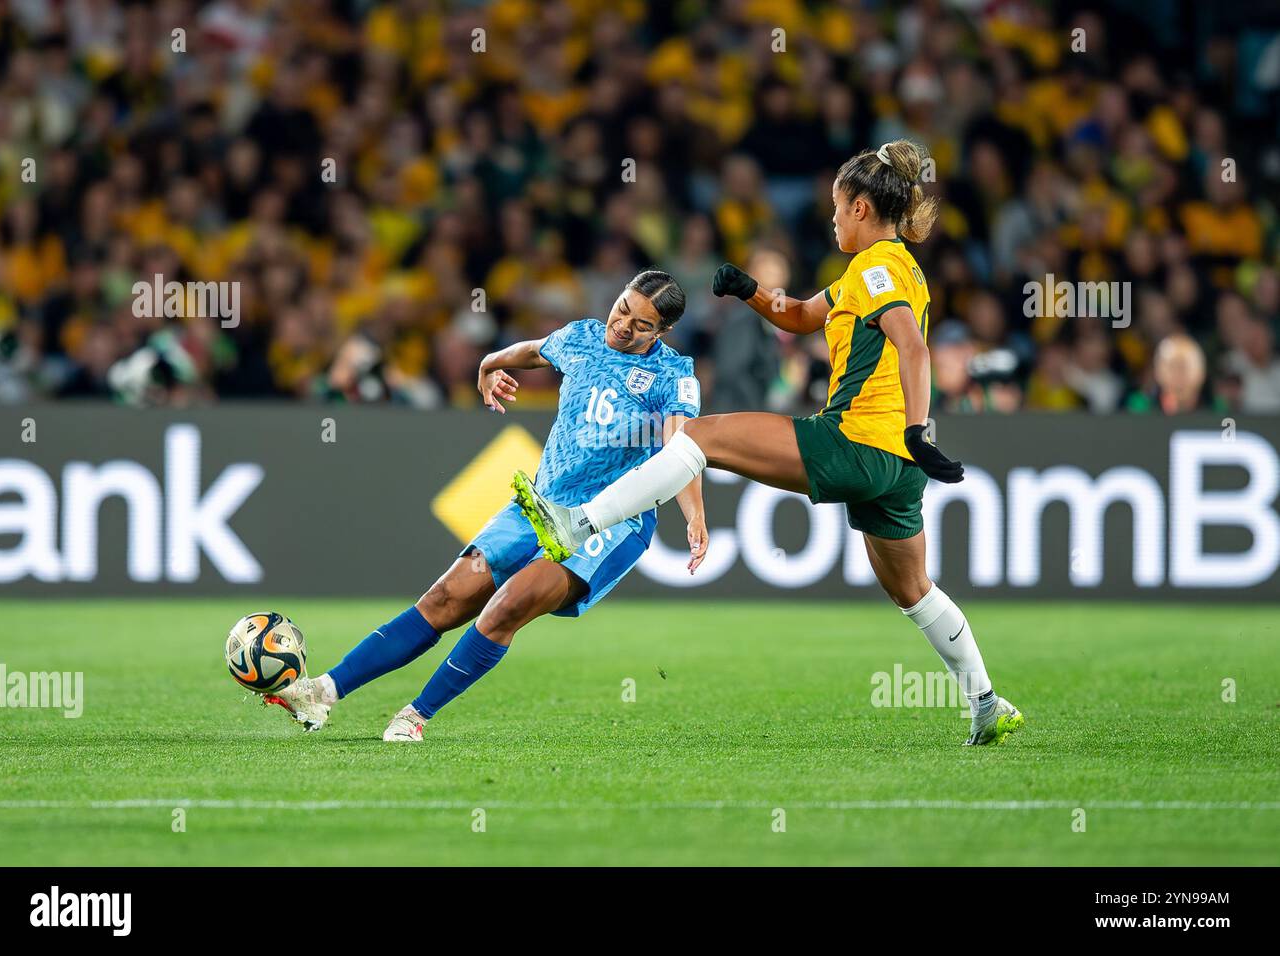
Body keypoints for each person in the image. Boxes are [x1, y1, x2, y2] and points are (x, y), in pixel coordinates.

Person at [513, 141, 1024, 746]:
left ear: (860, 207)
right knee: (914, 591)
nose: (831, 219)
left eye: (837, 207)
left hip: (857, 440)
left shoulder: (876, 268)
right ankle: (986, 703)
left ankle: (579, 525)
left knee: (699, 434)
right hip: (897, 467)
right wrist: (751, 290)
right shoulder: (891, 267)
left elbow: (913, 346)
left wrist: (920, 426)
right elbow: (804, 315)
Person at [267, 270, 706, 740]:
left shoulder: (672, 377)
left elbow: (679, 453)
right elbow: (532, 351)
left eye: (642, 325)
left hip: (607, 525)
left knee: (506, 606)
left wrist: (695, 515)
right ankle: (323, 693)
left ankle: (414, 717)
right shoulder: (582, 337)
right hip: (540, 505)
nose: (622, 325)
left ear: (663, 332)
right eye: (623, 308)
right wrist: (488, 365)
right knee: (445, 599)